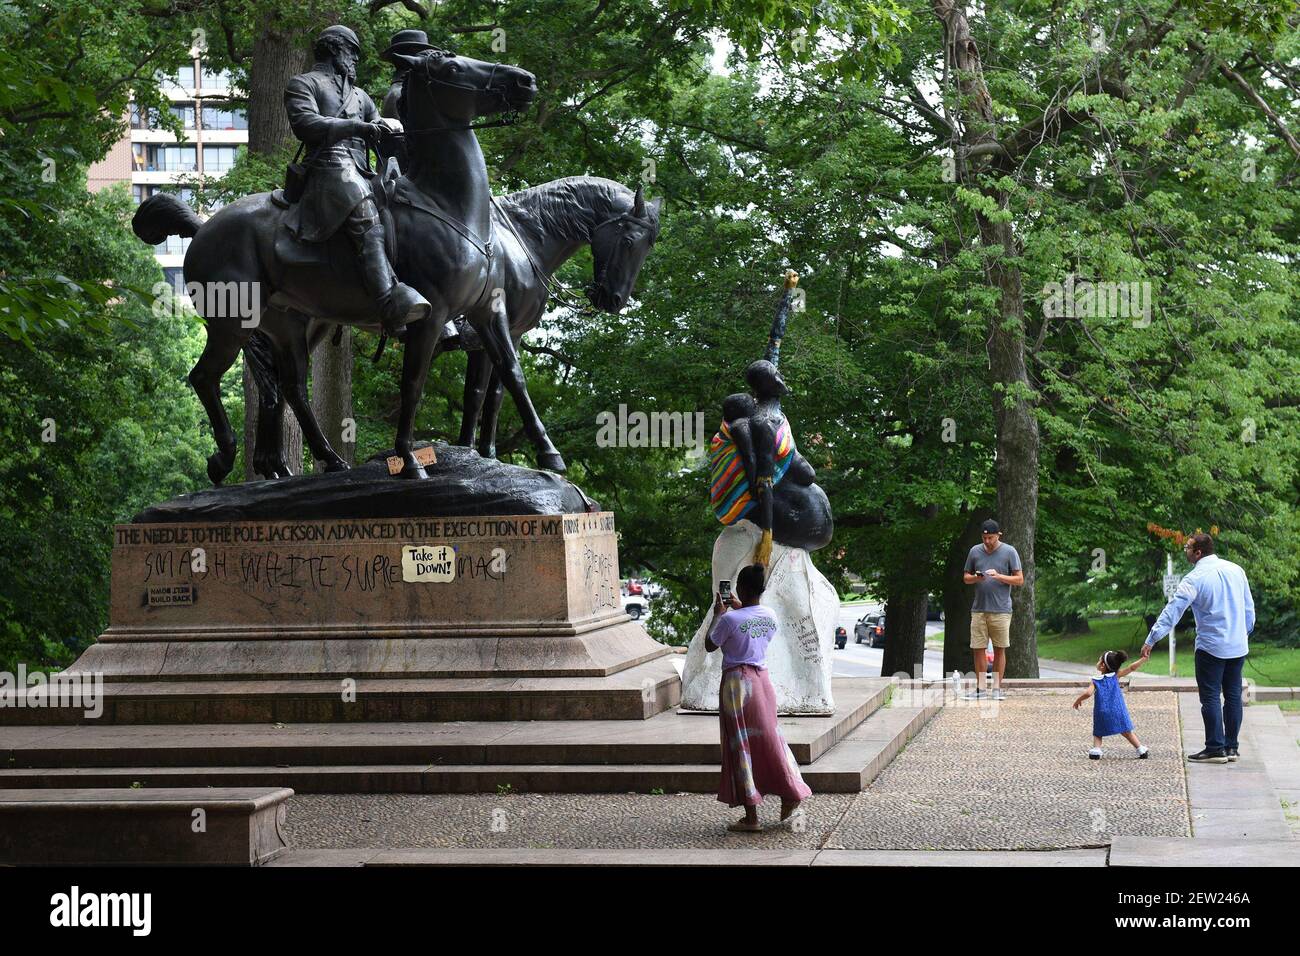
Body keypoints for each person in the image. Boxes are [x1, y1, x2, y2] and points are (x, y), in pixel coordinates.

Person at [283, 25, 429, 336]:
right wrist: (358, 129)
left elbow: (379, 128)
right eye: (353, 53)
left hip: (362, 171)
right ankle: (389, 303)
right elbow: (306, 123)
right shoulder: (303, 84)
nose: (356, 60)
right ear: (336, 50)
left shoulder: (360, 95)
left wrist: (394, 136)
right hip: (328, 169)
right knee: (365, 216)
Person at [705, 563, 812, 832]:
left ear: (740, 587)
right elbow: (751, 621)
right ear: (760, 590)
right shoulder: (770, 615)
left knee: (740, 743)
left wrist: (718, 614)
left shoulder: (729, 619)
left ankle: (751, 817)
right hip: (762, 683)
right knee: (770, 739)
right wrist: (742, 607)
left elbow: (710, 644)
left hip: (736, 685)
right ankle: (791, 791)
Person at [1142, 532, 1254, 764]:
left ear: (1198, 552)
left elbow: (1173, 610)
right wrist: (1243, 633)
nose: (1185, 551)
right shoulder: (1236, 570)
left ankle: (1215, 748)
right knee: (1233, 696)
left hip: (1211, 646)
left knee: (1211, 696)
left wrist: (1152, 638)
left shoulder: (1194, 579)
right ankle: (1231, 747)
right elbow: (1248, 609)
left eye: (1187, 548)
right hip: (1237, 645)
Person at [962, 519, 1024, 700]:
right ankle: (980, 689)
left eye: (990, 537)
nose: (987, 541)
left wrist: (999, 576)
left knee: (999, 649)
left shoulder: (1009, 551)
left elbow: (1019, 579)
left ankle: (996, 689)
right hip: (979, 609)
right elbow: (966, 577)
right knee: (978, 648)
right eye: (984, 537)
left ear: (999, 535)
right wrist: (976, 578)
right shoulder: (975, 551)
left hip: (1001, 609)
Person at [1072, 650, 1150, 759]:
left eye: (1099, 660)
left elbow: (1088, 693)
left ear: (1102, 665)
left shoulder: (1095, 680)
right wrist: (1143, 659)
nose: (1098, 662)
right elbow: (1132, 668)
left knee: (1098, 732)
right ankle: (1140, 749)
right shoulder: (1115, 676)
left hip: (1102, 711)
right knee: (1127, 731)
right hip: (1118, 709)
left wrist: (1078, 700)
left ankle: (1097, 750)